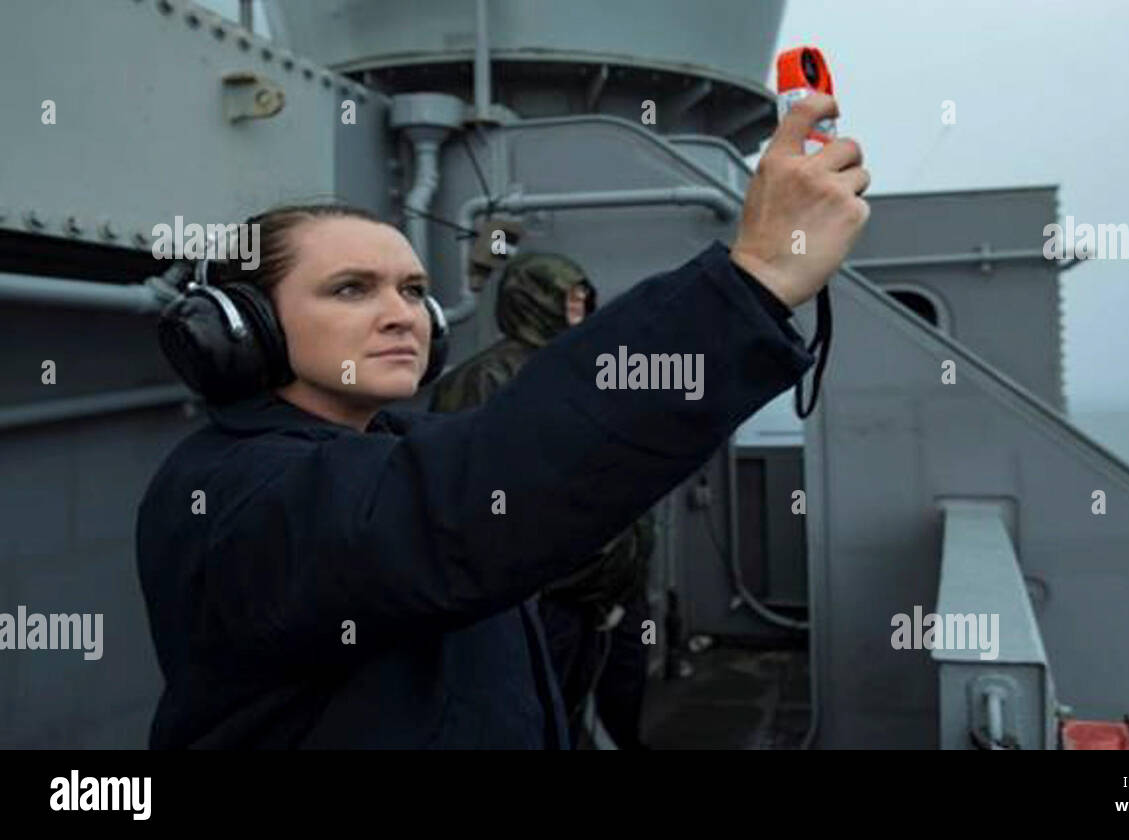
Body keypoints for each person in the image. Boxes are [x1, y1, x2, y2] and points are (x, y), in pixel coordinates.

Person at [135, 92, 869, 748]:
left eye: (413, 290)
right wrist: (754, 280)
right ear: (244, 328)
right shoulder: (235, 495)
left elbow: (526, 464)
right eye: (352, 289)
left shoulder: (392, 444)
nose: (402, 315)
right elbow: (474, 494)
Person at [431, 253, 656, 748]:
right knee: (541, 718)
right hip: (547, 598)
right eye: (566, 297)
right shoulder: (485, 379)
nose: (578, 307)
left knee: (612, 709)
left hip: (612, 590)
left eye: (583, 297)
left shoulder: (586, 368)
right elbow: (481, 506)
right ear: (533, 301)